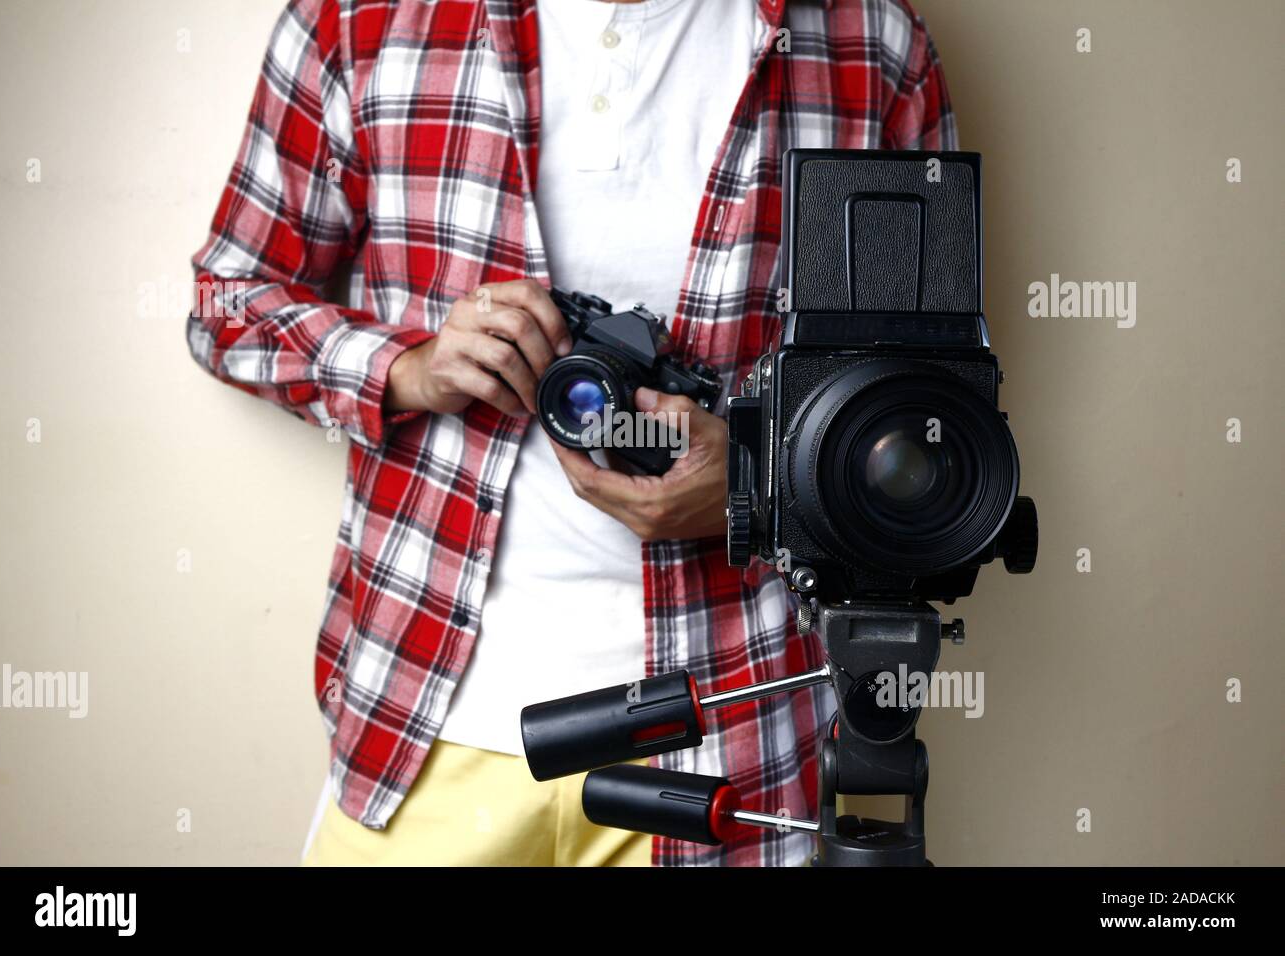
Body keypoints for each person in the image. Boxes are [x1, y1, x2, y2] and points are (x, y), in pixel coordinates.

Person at [187, 0, 956, 866]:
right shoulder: (362, 20)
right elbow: (228, 301)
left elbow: (930, 424)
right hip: (425, 715)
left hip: (732, 745)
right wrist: (409, 369)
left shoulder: (867, 43)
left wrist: (756, 488)